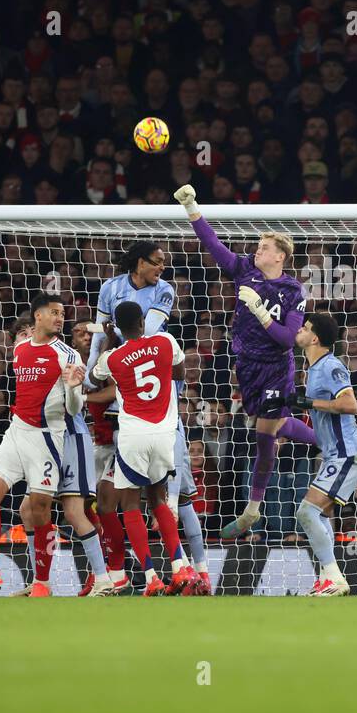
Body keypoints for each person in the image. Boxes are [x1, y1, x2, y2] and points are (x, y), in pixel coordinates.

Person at [173, 183, 318, 539]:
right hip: (246, 369)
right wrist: (192, 207)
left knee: (267, 432)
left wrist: (257, 309)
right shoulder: (244, 271)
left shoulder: (292, 290)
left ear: (280, 256)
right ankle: (325, 443)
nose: (258, 249)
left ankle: (257, 506)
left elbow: (288, 339)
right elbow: (214, 246)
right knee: (269, 432)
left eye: (265, 247)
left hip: (275, 368)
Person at [85, 240, 209, 594]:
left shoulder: (116, 354)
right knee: (163, 499)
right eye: (156, 263)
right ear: (139, 263)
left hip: (133, 427)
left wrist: (104, 353)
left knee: (132, 503)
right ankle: (183, 569)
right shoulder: (167, 342)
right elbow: (175, 363)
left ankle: (152, 577)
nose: (161, 269)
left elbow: (98, 366)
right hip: (164, 424)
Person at [0, 294, 109, 597]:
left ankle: (43, 583)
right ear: (37, 317)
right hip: (17, 432)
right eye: (54, 313)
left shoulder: (68, 355)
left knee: (40, 509)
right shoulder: (19, 350)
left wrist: (72, 389)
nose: (59, 318)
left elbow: (71, 410)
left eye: (62, 313)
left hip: (47, 438)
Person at [262, 311, 357, 596]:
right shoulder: (314, 368)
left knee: (307, 512)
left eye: (304, 328)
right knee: (316, 515)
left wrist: (308, 402)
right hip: (336, 454)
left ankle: (334, 577)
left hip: (346, 453)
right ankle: (326, 578)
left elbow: (349, 405)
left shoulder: (331, 366)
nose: (299, 332)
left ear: (315, 337)